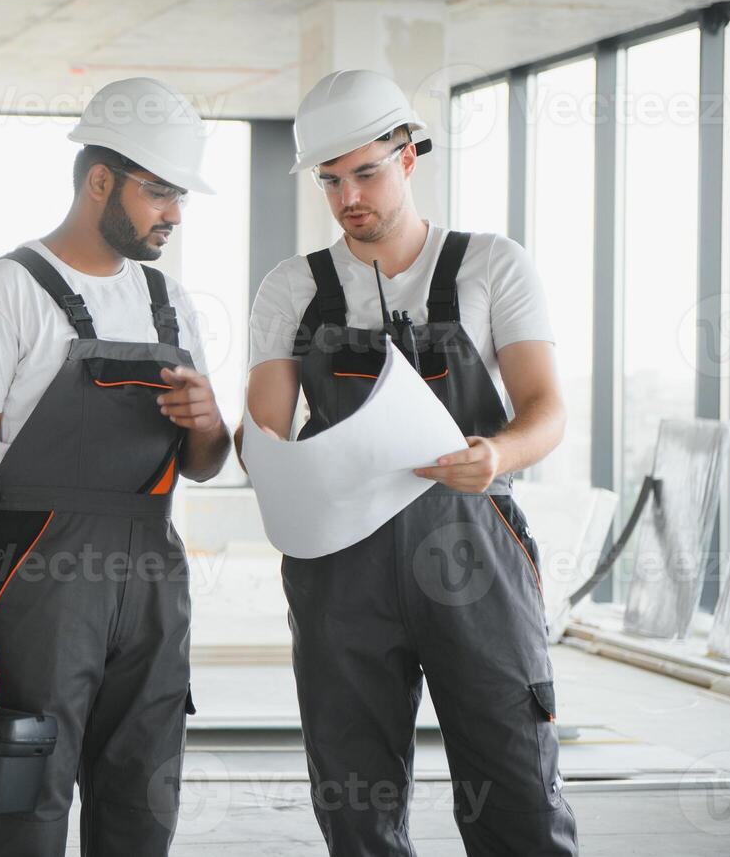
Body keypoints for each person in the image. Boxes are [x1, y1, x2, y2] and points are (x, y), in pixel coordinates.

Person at [240, 68, 578, 855]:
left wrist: (495, 453)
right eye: (330, 180)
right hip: (339, 564)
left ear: (408, 158)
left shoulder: (491, 266)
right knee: (354, 795)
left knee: (514, 780)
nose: (348, 196)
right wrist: (262, 453)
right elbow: (261, 430)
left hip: (472, 551)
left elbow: (546, 410)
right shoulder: (292, 288)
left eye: (364, 172)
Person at [0, 76, 232, 856]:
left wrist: (210, 422)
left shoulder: (169, 300)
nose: (172, 214)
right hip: (37, 574)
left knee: (142, 792)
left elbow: (202, 465)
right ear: (100, 179)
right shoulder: (5, 292)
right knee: (24, 797)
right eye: (158, 193)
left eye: (179, 198)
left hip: (153, 574)